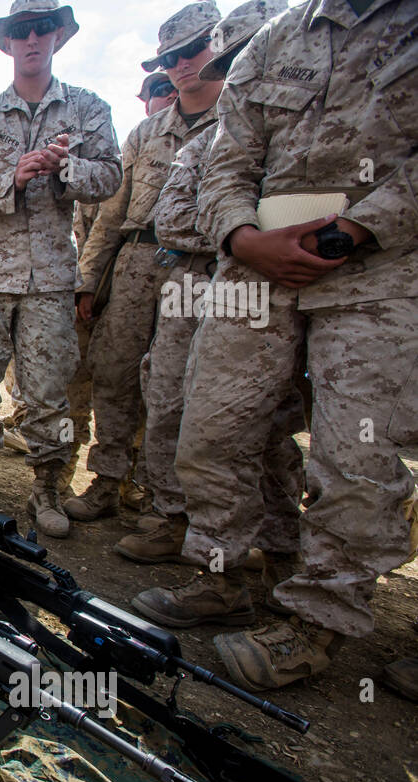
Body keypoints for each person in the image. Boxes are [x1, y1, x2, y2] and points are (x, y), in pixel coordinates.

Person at [133, 0, 418, 696]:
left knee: (354, 451)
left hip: (379, 270)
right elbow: (228, 161)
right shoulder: (274, 41)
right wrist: (241, 236)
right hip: (253, 270)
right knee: (211, 429)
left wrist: (355, 229)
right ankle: (222, 577)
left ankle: (316, 619)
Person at [116, 0, 297, 568]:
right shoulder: (205, 143)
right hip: (194, 285)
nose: (182, 65)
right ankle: (175, 520)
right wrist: (252, 232)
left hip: (285, 290)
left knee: (268, 422)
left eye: (195, 52)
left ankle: (280, 545)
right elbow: (170, 218)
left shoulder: (312, 131)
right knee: (169, 397)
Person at [0, 0, 122, 536]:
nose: (33, 39)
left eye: (43, 29)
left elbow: (110, 177)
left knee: (48, 390)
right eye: (22, 31)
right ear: (7, 43)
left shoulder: (87, 108)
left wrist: (67, 166)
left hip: (49, 279)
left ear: (59, 36)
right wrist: (12, 179)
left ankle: (47, 488)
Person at [66, 1, 223, 526]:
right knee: (113, 372)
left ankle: (163, 500)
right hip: (135, 262)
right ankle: (107, 481)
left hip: (201, 268)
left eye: (193, 50)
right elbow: (111, 216)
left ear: (218, 46)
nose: (182, 64)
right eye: (171, 58)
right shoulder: (146, 133)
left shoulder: (241, 121)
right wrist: (89, 280)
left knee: (176, 385)